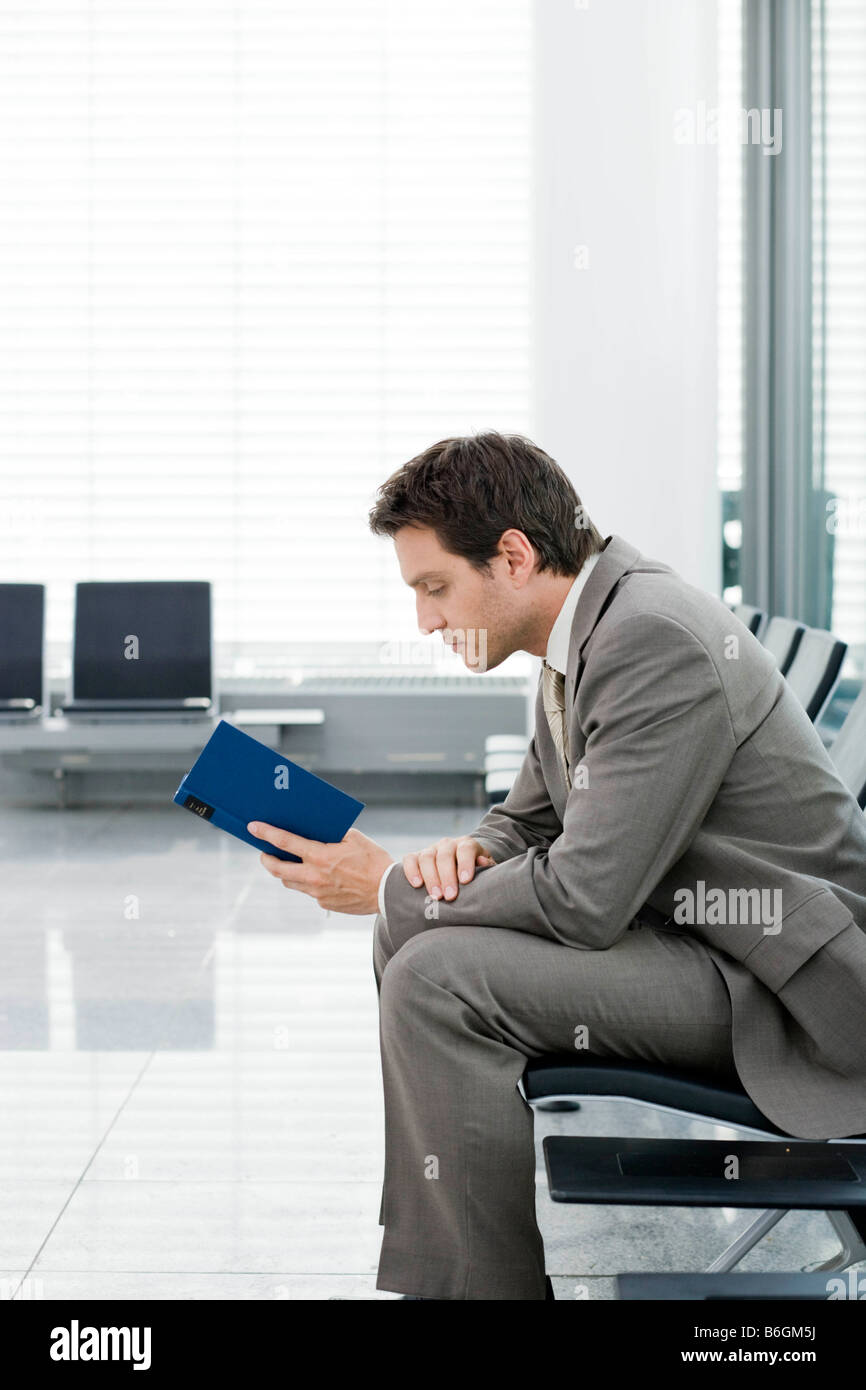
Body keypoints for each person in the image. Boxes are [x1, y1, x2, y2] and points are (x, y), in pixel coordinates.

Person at [250, 431, 866, 1301]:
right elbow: (529, 820)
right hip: (708, 939)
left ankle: (472, 1287)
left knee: (435, 975)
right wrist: (462, 861)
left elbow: (584, 899)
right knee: (412, 936)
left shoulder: (651, 640)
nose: (425, 620)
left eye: (434, 588)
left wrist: (390, 882)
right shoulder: (588, 631)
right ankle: (456, 1273)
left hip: (785, 989)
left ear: (512, 555)